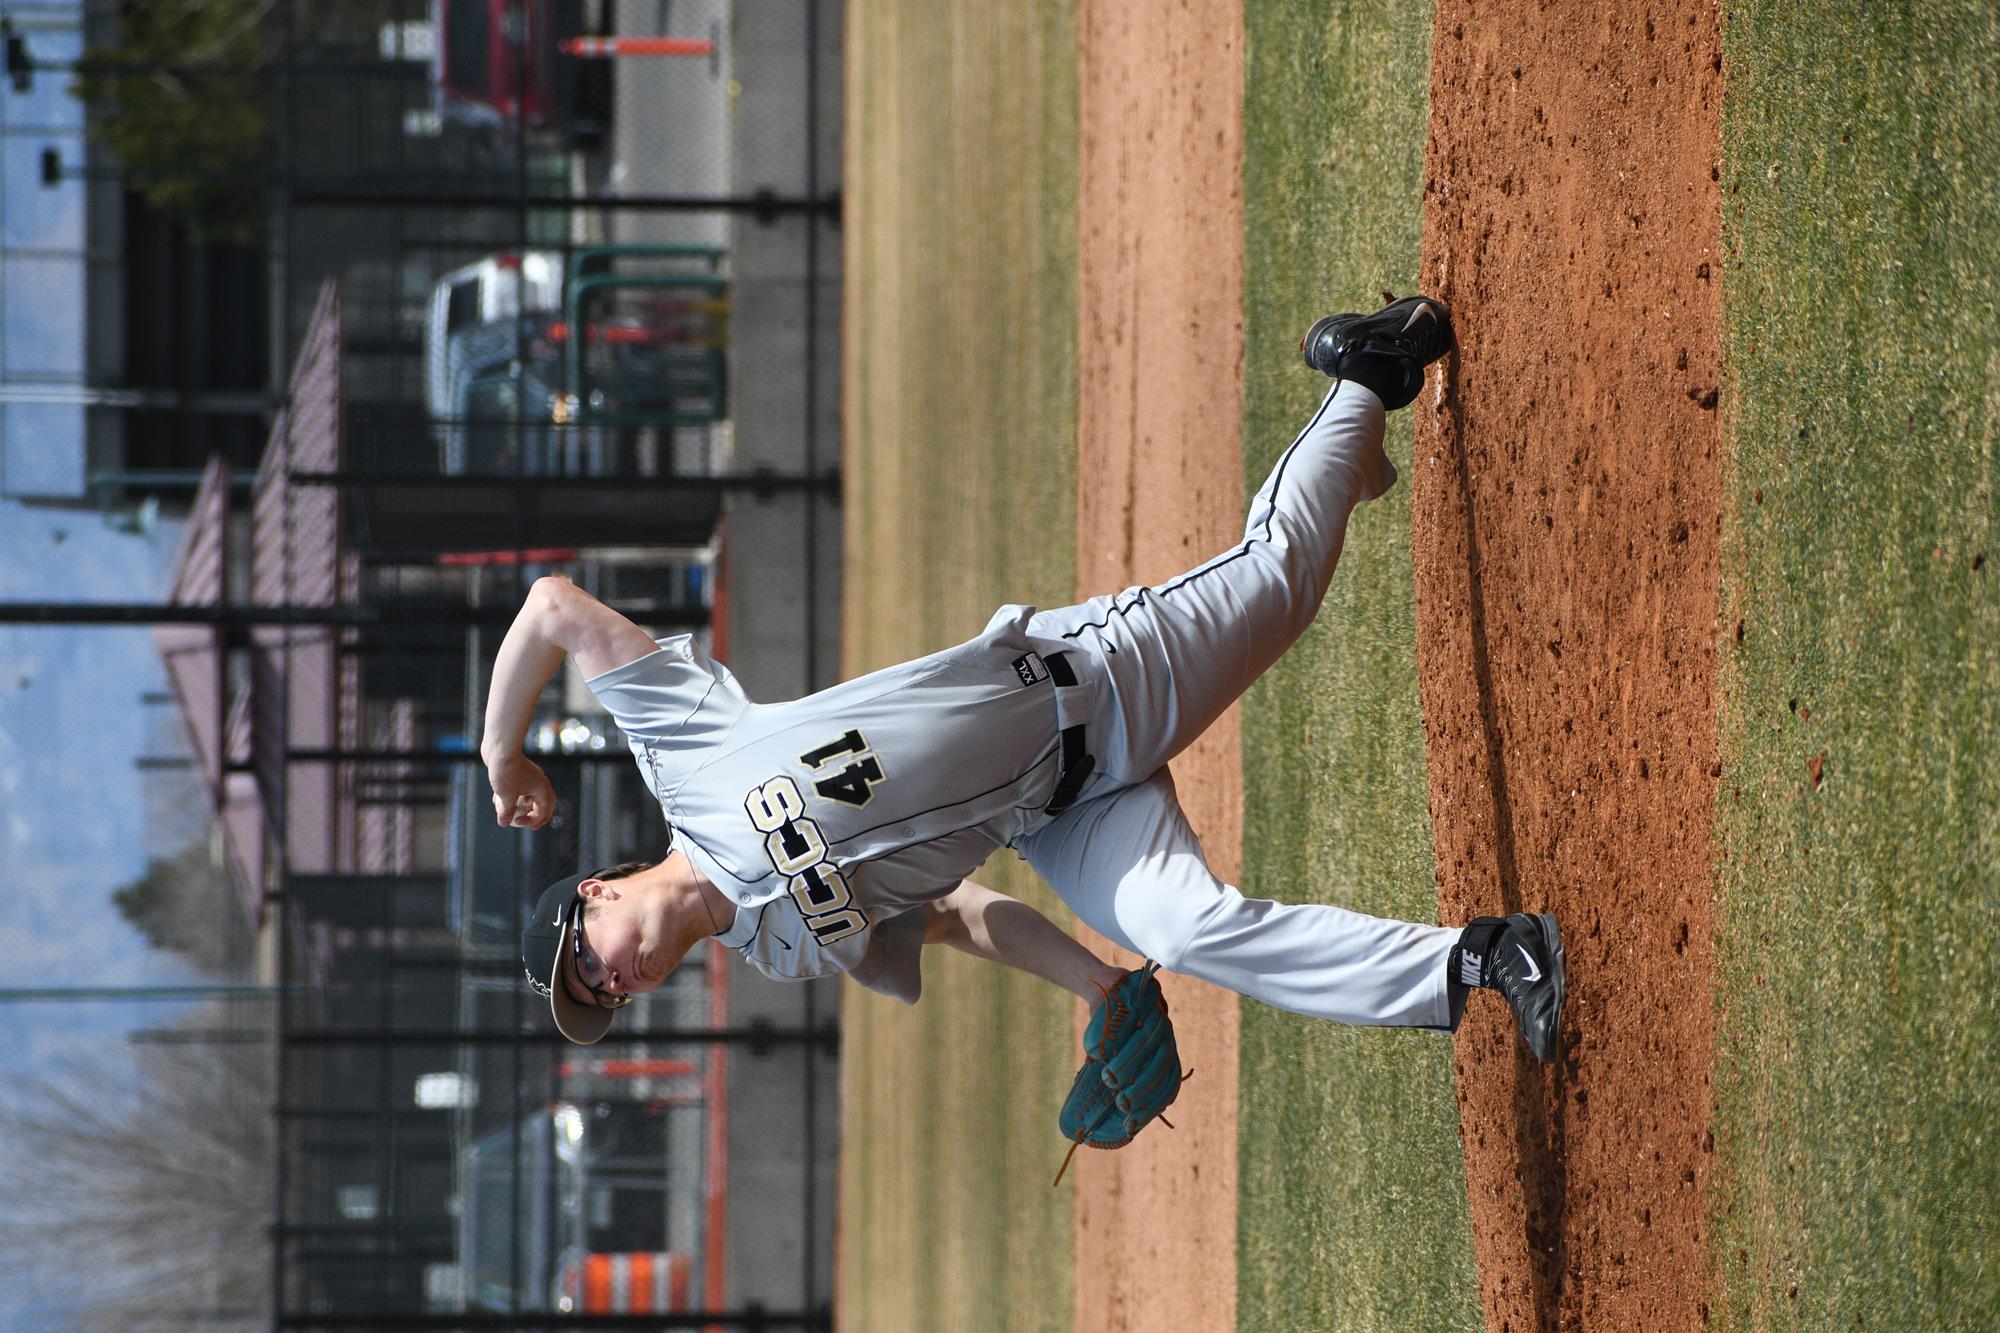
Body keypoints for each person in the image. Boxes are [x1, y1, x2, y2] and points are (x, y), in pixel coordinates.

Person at [487, 295, 1565, 1060]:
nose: (613, 984)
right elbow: (954, 915)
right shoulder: (783, 949)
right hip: (1060, 819)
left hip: (1088, 678)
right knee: (1181, 931)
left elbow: (550, 610)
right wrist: (1090, 983)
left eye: (590, 964)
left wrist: (504, 750)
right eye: (603, 999)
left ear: (593, 895)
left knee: (1280, 581)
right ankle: (1481, 959)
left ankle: (1364, 372)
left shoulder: (685, 760)